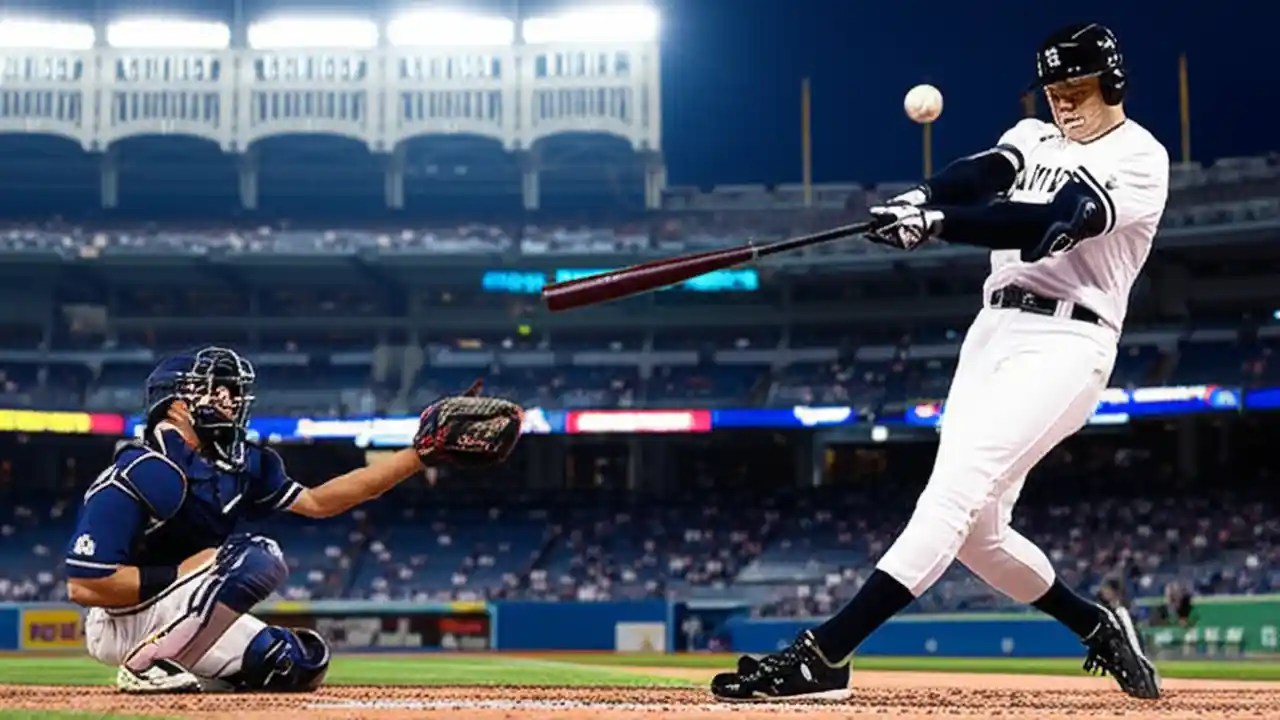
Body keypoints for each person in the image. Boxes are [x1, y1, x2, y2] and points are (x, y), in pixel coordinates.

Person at [711, 23, 1168, 702]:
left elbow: (1049, 224)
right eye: (1054, 91)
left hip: (1067, 343)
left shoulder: (1138, 156)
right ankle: (1095, 624)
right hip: (991, 333)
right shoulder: (1036, 136)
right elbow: (985, 173)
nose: (1064, 103)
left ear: (1112, 83)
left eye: (1077, 88)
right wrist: (920, 199)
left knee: (949, 495)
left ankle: (825, 656)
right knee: (980, 536)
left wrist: (941, 225)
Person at [64, 346, 522, 693]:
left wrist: (418, 456)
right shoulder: (139, 470)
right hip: (121, 620)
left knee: (296, 663)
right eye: (215, 388)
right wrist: (183, 572)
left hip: (180, 612)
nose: (229, 399)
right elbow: (86, 586)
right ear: (177, 404)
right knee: (258, 557)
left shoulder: (243, 466)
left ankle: (177, 673)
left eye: (232, 390)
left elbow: (321, 502)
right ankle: (144, 668)